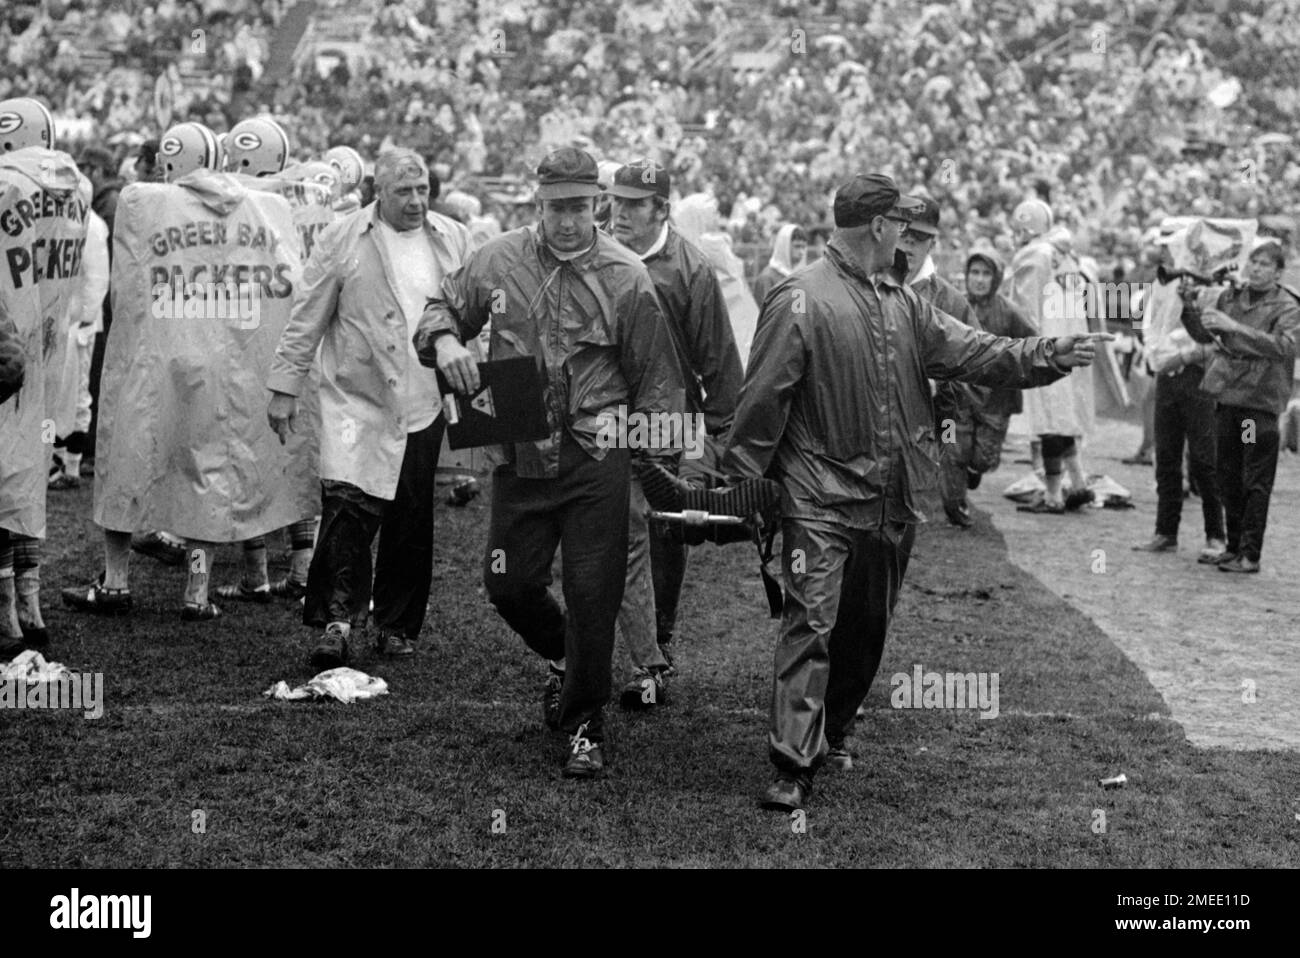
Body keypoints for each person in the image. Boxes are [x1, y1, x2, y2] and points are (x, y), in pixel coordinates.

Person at [721, 173, 1105, 812]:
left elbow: (976, 351)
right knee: (810, 624)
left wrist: (1048, 353)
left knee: (866, 629)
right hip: (818, 496)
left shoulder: (903, 302)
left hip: (889, 498)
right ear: (878, 226)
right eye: (900, 222)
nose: (907, 234)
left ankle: (832, 727)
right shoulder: (800, 298)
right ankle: (792, 764)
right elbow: (761, 401)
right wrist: (744, 487)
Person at [414, 147, 685, 779]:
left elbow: (657, 384)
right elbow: (441, 308)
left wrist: (656, 473)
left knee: (594, 594)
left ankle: (583, 724)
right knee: (506, 583)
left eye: (579, 207)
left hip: (599, 457)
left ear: (598, 204)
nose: (568, 221)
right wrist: (449, 340)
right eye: (556, 207)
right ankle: (567, 661)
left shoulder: (627, 277)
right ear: (538, 204)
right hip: (521, 454)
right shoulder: (498, 258)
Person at [63, 120, 302, 622]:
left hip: (155, 352)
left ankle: (116, 581)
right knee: (206, 472)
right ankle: (196, 588)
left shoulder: (140, 200)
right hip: (221, 360)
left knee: (126, 459)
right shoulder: (265, 205)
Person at [268, 148, 472, 664]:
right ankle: (336, 623)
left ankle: (397, 626)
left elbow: (475, 315)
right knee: (347, 509)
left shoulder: (452, 239)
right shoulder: (344, 237)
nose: (416, 201)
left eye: (423, 189)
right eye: (403, 191)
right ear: (378, 191)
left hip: (423, 401)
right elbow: (307, 314)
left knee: (411, 516)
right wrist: (285, 385)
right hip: (355, 398)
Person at [605, 158, 743, 707]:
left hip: (669, 420)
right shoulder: (597, 254)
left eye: (634, 205)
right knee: (597, 528)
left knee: (660, 533)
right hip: (604, 414)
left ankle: (655, 653)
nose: (619, 213)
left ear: (662, 208)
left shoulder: (691, 268)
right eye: (615, 201)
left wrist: (721, 448)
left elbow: (719, 363)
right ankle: (577, 655)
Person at [1, 96, 91, 654]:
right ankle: (30, 603)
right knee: (30, 478)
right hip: (51, 356)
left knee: (2, 481)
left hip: (7, 352)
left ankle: (8, 611)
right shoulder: (74, 185)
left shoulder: (9, 184)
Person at [1195, 237, 1300, 573]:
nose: (1255, 268)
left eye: (1264, 264)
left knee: (1253, 477)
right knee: (1226, 473)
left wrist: (1234, 326)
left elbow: (1283, 347)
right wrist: (1190, 309)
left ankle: (1250, 554)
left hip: (1258, 402)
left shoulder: (1288, 306)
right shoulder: (1231, 296)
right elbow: (1206, 336)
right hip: (1229, 394)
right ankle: (1234, 545)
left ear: (1279, 272)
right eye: (1253, 261)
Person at [1131, 219, 1225, 561]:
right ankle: (1165, 530)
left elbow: (1209, 337)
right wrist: (1170, 356)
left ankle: (1217, 534)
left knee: (1204, 459)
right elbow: (1152, 329)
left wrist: (1184, 347)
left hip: (1196, 378)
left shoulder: (1206, 285)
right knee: (1167, 456)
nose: (1168, 252)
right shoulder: (1161, 285)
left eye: (1173, 247)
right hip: (1169, 377)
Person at [896, 195, 985, 528]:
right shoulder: (867, 285)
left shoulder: (950, 300)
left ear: (932, 242)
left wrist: (937, 382)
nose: (908, 244)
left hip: (930, 423)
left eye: (918, 238)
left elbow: (978, 362)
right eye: (903, 233)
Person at [1008, 199, 1096, 514]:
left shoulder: (1036, 254)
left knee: (1049, 421)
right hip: (1073, 341)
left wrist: (1021, 345)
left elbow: (1025, 311)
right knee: (1064, 417)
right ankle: (1080, 483)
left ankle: (1054, 496)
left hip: (1050, 344)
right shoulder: (1068, 255)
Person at [963, 246, 1038, 480]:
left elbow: (1033, 343)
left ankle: (970, 473)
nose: (979, 280)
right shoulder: (955, 304)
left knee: (984, 459)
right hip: (956, 400)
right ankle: (950, 490)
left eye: (986, 274)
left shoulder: (1009, 311)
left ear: (996, 278)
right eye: (974, 273)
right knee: (949, 446)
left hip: (996, 402)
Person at [752, 223, 807, 304]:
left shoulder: (799, 276)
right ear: (784, 246)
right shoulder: (767, 278)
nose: (801, 252)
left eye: (803, 247)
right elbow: (764, 312)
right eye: (797, 246)